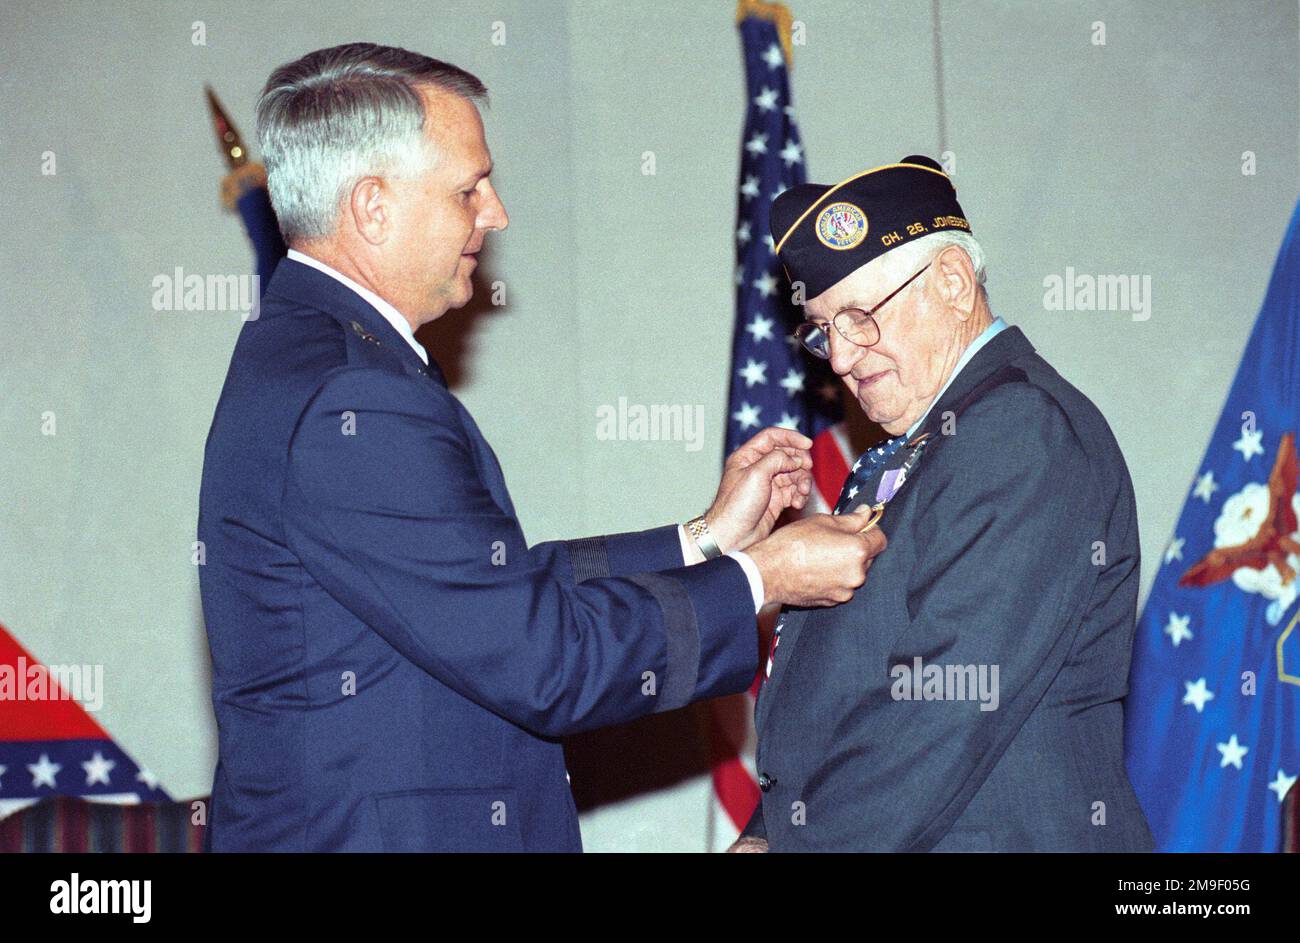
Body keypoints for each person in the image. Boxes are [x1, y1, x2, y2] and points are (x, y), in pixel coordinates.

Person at [196, 42, 886, 852]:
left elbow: (483, 593)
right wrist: (766, 575)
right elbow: (539, 658)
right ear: (372, 208)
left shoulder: (315, 355)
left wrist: (703, 540)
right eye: (467, 188)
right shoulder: (352, 393)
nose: (496, 213)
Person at [732, 155, 1153, 852]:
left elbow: (943, 702)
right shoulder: (915, 450)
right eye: (822, 329)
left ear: (954, 283)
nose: (838, 356)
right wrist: (765, 829)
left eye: (860, 317)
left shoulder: (1020, 429)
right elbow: (850, 689)